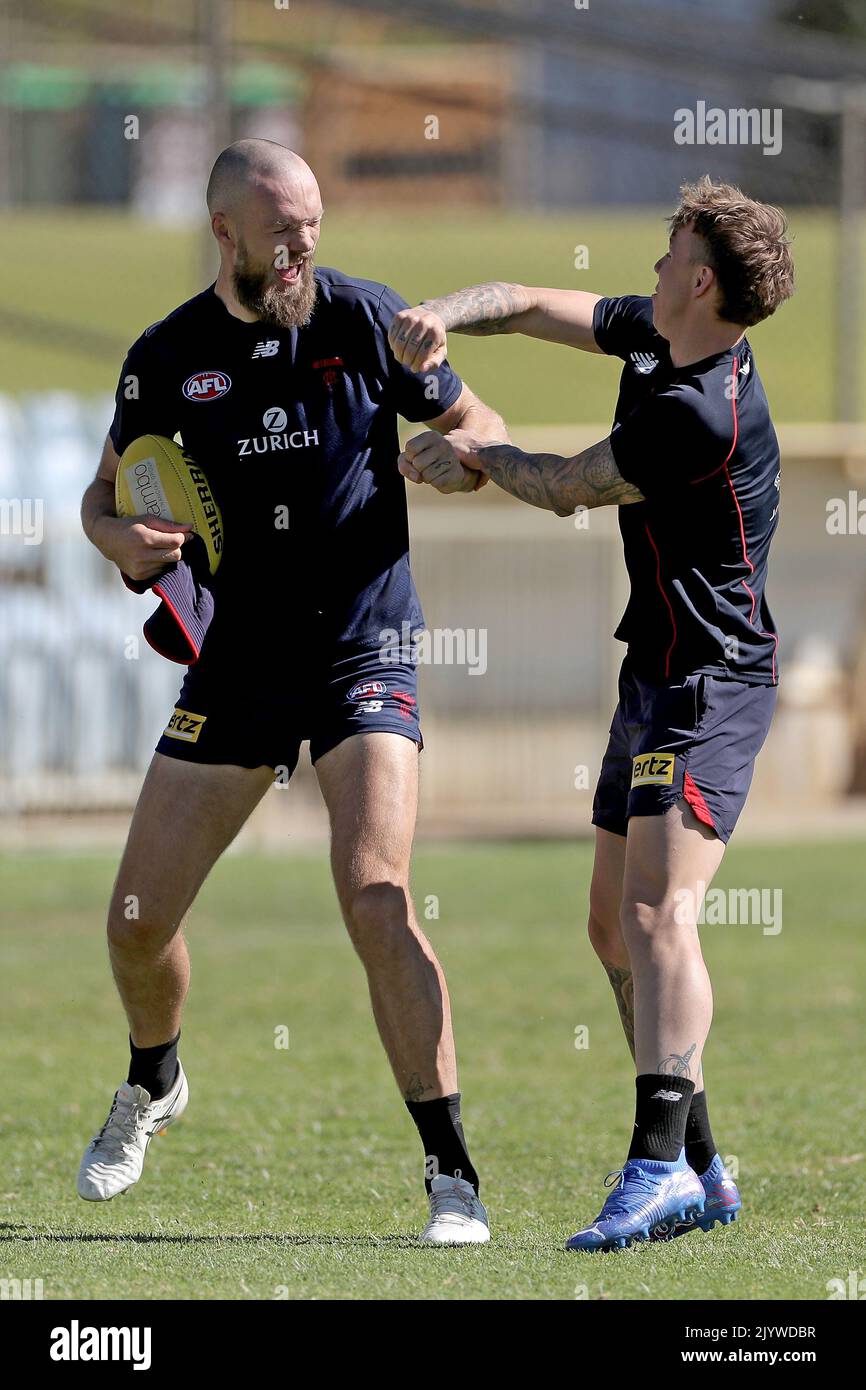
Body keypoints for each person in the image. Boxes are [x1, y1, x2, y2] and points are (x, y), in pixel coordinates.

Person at [78, 139, 506, 1245]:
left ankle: (451, 1175)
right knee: (133, 920)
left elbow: (479, 425)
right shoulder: (168, 356)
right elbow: (101, 495)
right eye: (283, 226)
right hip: (238, 662)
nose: (304, 241)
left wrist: (456, 460)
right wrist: (121, 538)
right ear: (227, 232)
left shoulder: (367, 320)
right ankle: (153, 1077)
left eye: (314, 220)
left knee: (374, 894)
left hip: (362, 646)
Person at [390, 177, 794, 1249]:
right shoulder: (655, 340)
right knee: (609, 923)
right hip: (653, 667)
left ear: (699, 281)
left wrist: (470, 458)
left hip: (712, 679)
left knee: (660, 914)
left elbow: (568, 482)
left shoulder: (695, 410)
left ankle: (655, 1160)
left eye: (669, 253)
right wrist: (442, 315)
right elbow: (523, 300)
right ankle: (703, 1168)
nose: (651, 267)